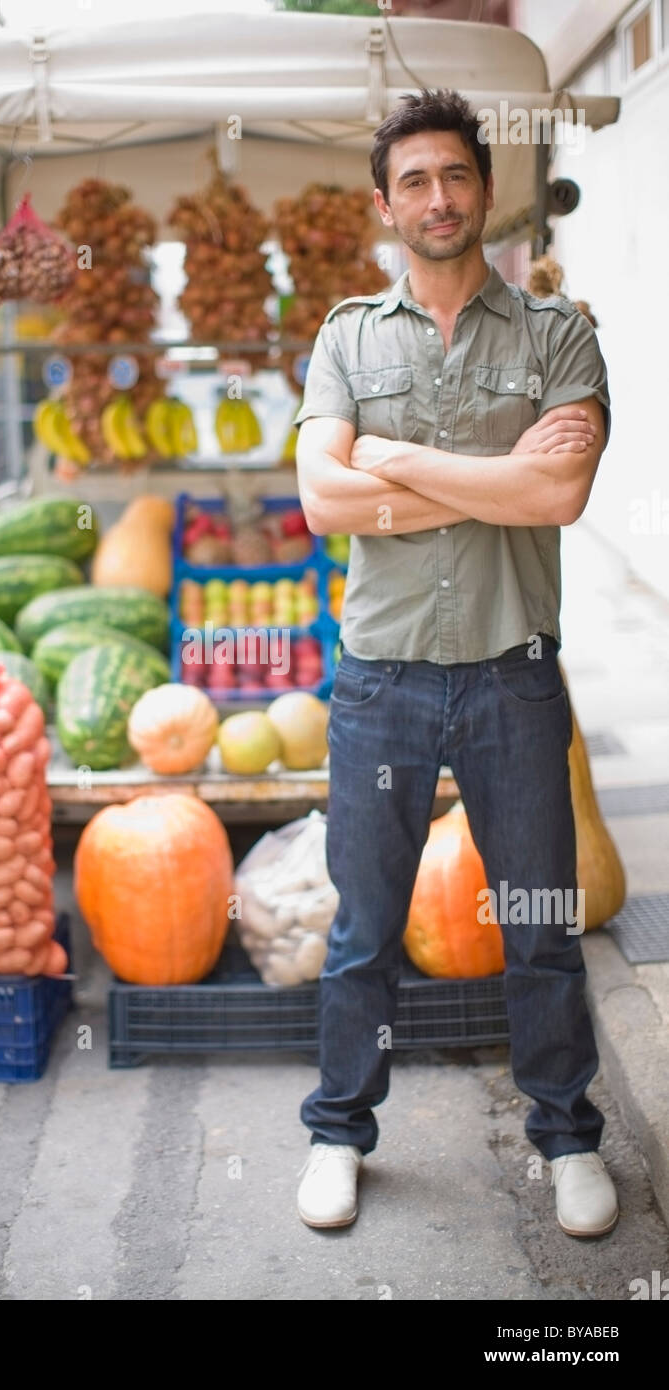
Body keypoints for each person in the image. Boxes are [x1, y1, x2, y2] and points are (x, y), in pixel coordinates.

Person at [293, 89, 617, 1238]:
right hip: (379, 681)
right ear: (385, 205)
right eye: (413, 181)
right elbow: (319, 497)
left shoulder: (554, 333)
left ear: (485, 189)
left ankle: (566, 1136)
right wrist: (480, 478)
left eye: (455, 176)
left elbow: (556, 492)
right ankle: (337, 1130)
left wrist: (395, 459)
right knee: (362, 928)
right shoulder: (345, 334)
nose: (437, 198)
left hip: (510, 678)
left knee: (537, 920)